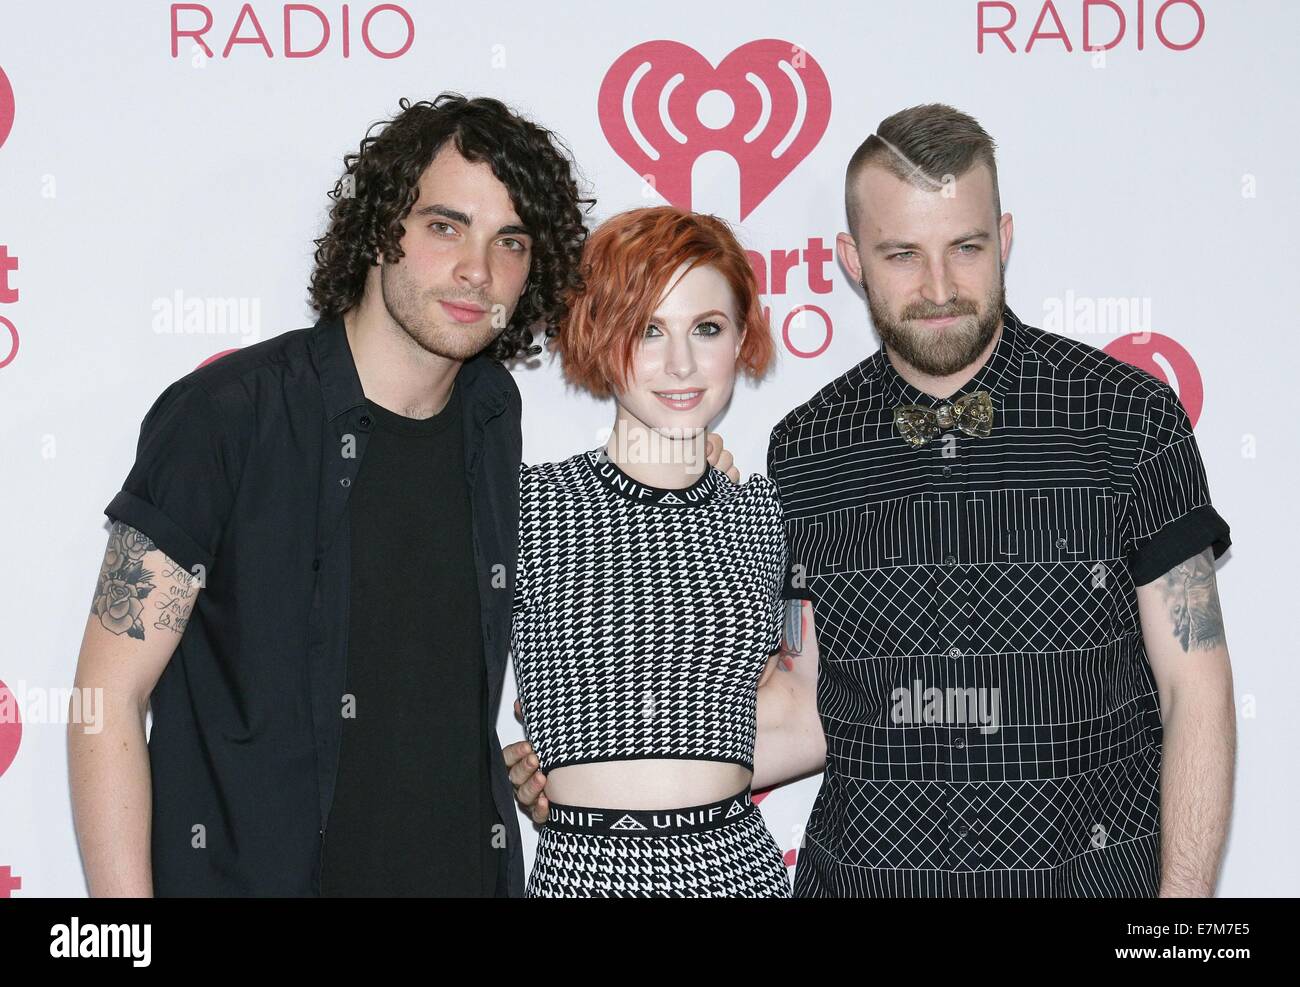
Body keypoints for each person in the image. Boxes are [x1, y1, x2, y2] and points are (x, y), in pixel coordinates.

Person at [511, 103, 1236, 898]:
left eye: (967, 247)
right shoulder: (803, 451)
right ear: (852, 260)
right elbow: (805, 702)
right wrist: (589, 768)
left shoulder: (1128, 418)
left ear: (1007, 238)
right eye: (902, 254)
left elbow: (1194, 688)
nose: (938, 286)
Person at [69, 92, 599, 896]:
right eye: (444, 225)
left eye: (510, 241)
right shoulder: (227, 415)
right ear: (381, 226)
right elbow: (108, 695)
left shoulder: (494, 413)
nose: (477, 271)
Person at [506, 206, 822, 897]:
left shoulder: (763, 513)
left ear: (741, 336)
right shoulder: (526, 508)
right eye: (648, 330)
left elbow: (803, 709)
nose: (681, 362)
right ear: (598, 334)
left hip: (735, 867)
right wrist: (511, 767)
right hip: (580, 870)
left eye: (706, 328)